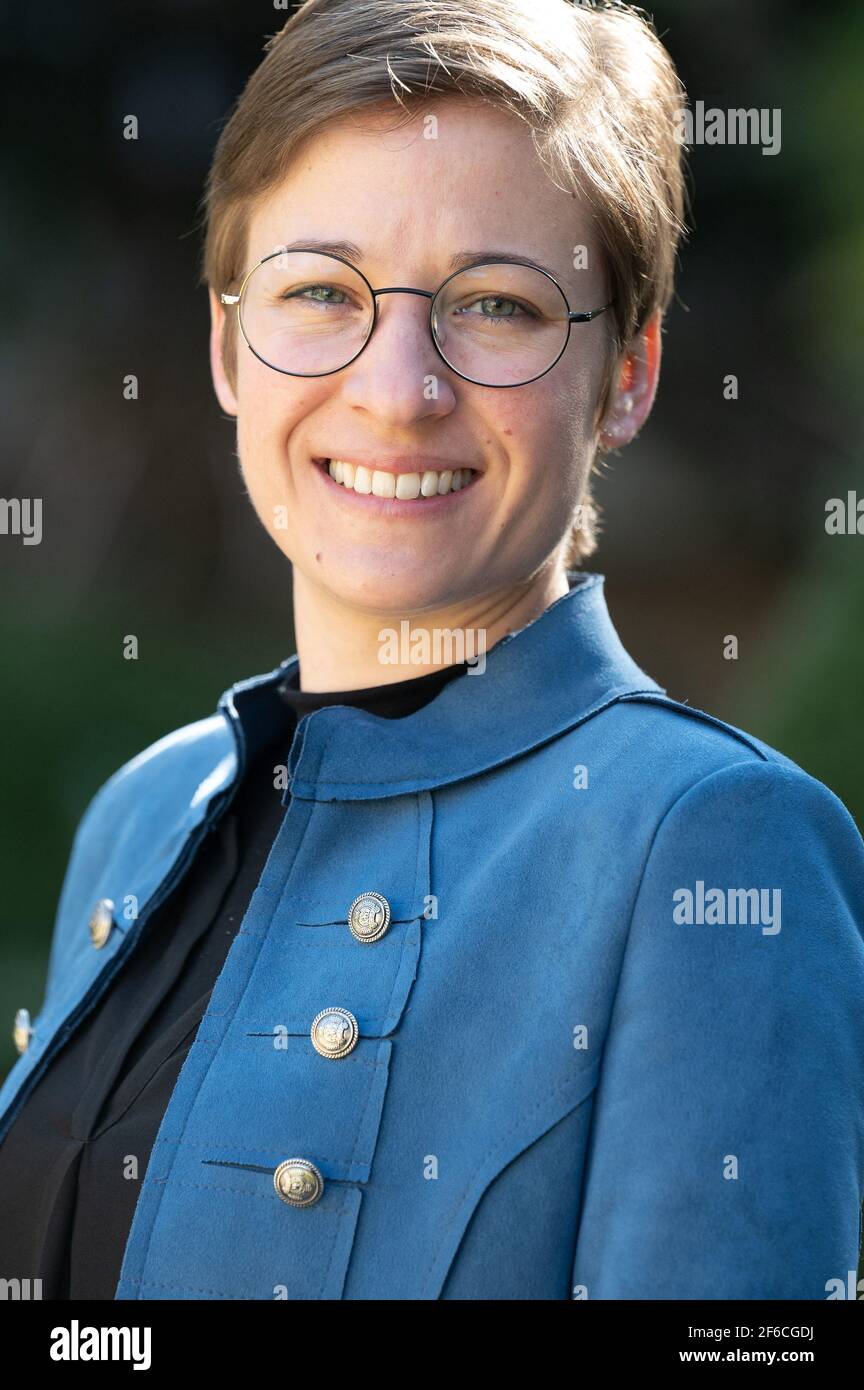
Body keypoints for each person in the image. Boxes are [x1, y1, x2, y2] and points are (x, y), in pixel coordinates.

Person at [1, 0, 862, 1301]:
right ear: (232, 345)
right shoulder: (143, 812)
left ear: (627, 375)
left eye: (498, 305)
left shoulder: (714, 842)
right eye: (318, 292)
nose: (399, 390)